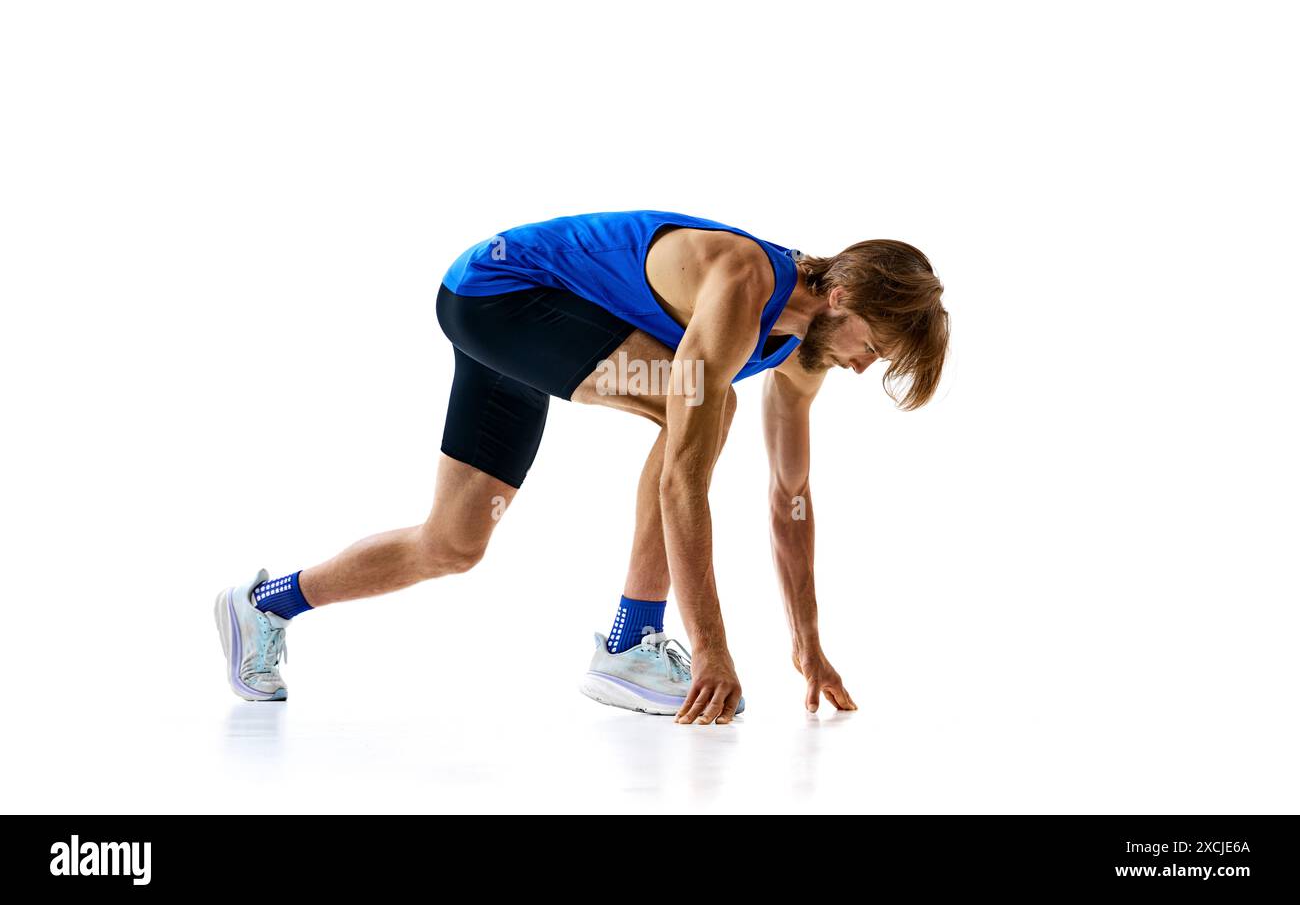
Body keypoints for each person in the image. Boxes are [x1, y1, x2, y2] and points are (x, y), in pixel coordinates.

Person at [214, 211, 949, 725]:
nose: (861, 368)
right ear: (843, 297)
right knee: (703, 405)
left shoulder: (797, 351)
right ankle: (631, 640)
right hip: (501, 295)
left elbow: (790, 496)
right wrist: (714, 654)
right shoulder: (740, 283)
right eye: (873, 347)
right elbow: (682, 480)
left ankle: (265, 605)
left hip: (532, 326)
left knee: (454, 543)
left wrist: (807, 641)